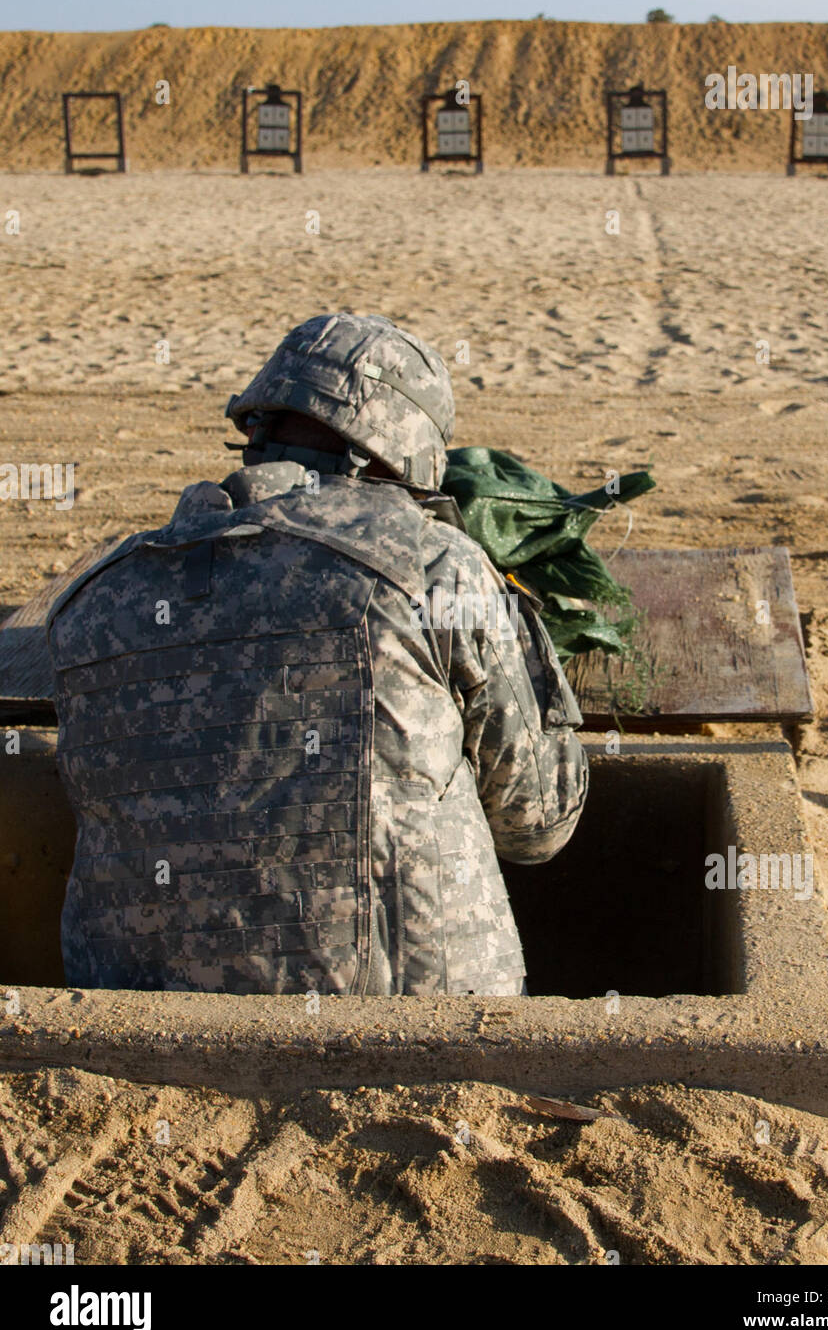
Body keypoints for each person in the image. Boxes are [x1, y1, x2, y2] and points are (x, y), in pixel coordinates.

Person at [46, 313, 588, 996]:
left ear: (259, 429)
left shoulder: (97, 595)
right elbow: (539, 820)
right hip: (407, 1026)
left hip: (128, 1020)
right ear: (400, 454)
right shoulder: (434, 566)